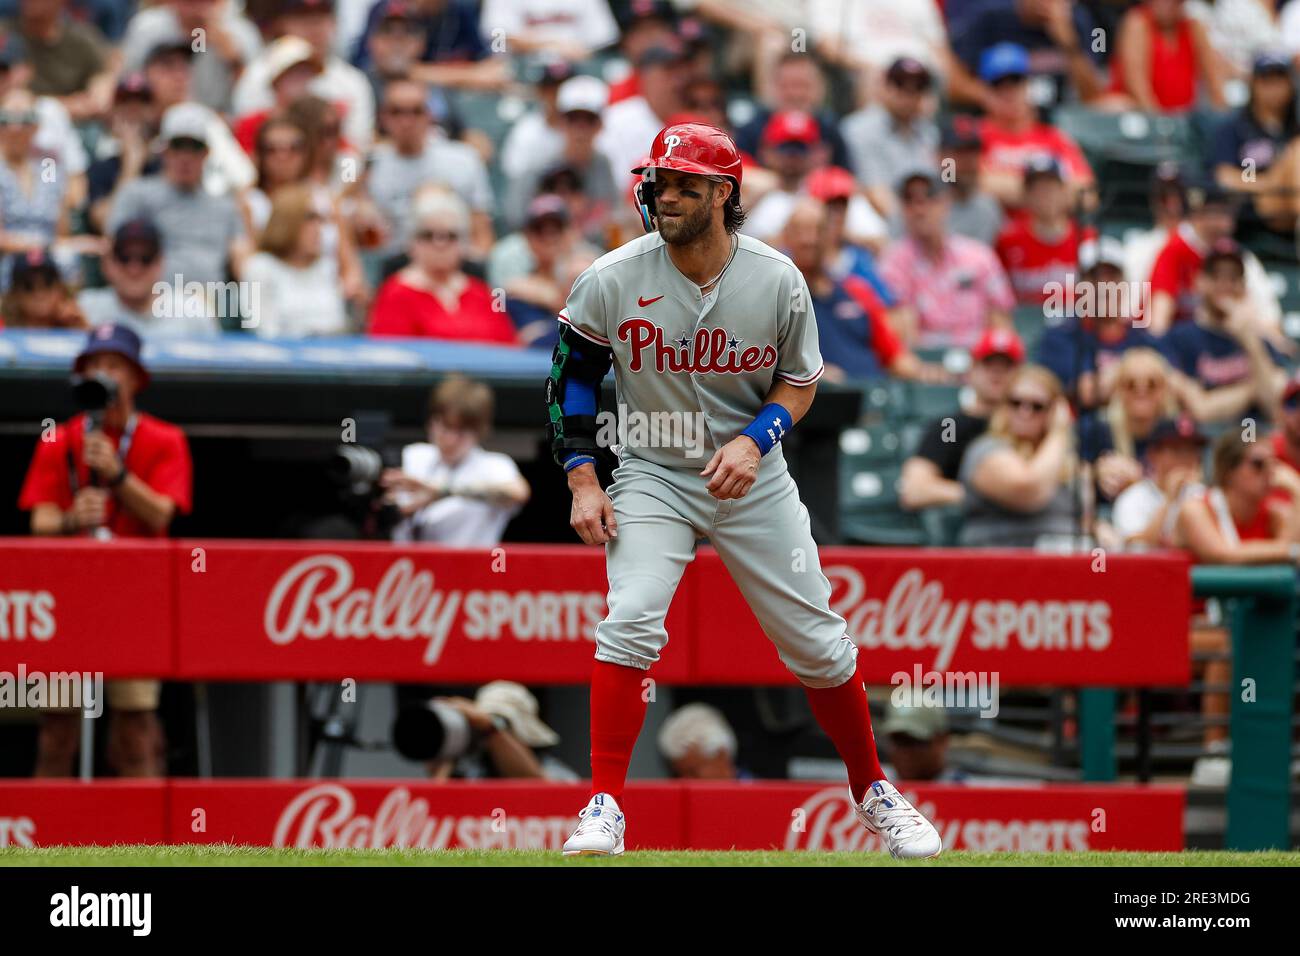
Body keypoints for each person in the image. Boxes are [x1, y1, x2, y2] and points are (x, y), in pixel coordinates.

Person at [550, 122, 942, 858]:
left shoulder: (776, 277)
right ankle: (604, 804)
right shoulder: (612, 276)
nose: (666, 196)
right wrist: (581, 478)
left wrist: (757, 439)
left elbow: (800, 382)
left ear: (721, 194)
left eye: (684, 185)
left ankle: (872, 790)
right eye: (659, 183)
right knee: (630, 620)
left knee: (818, 643)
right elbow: (572, 376)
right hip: (654, 470)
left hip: (751, 477)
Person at [17, 323, 193, 777]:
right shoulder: (58, 437)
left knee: (135, 732)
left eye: (113, 365)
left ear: (135, 377)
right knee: (56, 731)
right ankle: (47, 824)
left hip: (136, 598)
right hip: (66, 600)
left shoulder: (165, 438)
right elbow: (39, 523)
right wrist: (73, 518)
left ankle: (143, 825)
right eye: (93, 365)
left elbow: (161, 514)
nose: (102, 374)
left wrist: (117, 476)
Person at [1171, 429, 1300, 784]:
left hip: (1237, 629)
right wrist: (1288, 551)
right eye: (1257, 465)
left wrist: (1296, 489)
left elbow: (1292, 545)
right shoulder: (1197, 508)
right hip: (1180, 629)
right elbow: (1223, 555)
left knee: (1282, 641)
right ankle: (1214, 750)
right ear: (1229, 471)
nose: (1269, 475)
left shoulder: (1272, 514)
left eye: (1273, 466)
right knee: (1231, 643)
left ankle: (1282, 747)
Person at [781, 197, 940, 383]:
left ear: (830, 235)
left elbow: (894, 355)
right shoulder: (779, 298)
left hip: (873, 390)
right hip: (817, 394)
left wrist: (926, 373)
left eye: (818, 230)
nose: (810, 239)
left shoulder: (857, 291)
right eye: (800, 231)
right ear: (786, 237)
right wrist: (814, 373)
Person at [107, 103, 251, 289]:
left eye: (194, 147)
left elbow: (243, 261)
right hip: (153, 297)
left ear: (206, 153)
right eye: (178, 146)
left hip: (211, 300)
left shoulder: (225, 207)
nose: (185, 157)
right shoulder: (137, 194)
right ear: (164, 151)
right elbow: (114, 248)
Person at [380, 375, 530, 545]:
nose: (450, 439)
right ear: (431, 421)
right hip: (406, 559)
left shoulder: (494, 465)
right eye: (445, 426)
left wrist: (440, 492)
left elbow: (519, 493)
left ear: (480, 431)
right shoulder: (412, 455)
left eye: (462, 431)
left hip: (470, 560)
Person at [880, 170, 1015, 349]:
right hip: (924, 359)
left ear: (946, 203)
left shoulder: (978, 256)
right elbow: (901, 334)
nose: (919, 209)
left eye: (929, 199)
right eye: (909, 201)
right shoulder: (893, 262)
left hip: (979, 356)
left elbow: (1001, 321)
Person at [366, 76, 493, 260]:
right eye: (397, 112)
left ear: (430, 115)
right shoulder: (366, 164)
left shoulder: (464, 159)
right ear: (382, 117)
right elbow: (343, 205)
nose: (406, 121)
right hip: (393, 265)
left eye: (416, 111)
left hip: (455, 262)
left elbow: (482, 234)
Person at [367, 188, 518, 344]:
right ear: (412, 242)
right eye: (428, 235)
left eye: (451, 236)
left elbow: (508, 344)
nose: (440, 244)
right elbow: (389, 352)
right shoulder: (395, 293)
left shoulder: (483, 293)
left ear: (464, 243)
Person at [1162, 239, 1286, 426]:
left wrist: (1249, 340)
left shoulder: (1260, 340)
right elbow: (1202, 410)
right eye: (1216, 277)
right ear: (1200, 281)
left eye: (1233, 278)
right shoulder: (1178, 338)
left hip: (1253, 434)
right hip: (1203, 438)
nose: (1225, 285)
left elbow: (1274, 407)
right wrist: (1254, 389)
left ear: (1243, 286)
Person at [900, 328, 1025, 512]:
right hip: (967, 520)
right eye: (989, 363)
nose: (997, 373)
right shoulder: (951, 427)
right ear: (972, 370)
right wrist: (983, 494)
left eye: (1006, 366)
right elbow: (915, 489)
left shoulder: (1028, 422)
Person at [957, 363, 1080, 547]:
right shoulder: (985, 449)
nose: (1025, 412)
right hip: (1002, 558)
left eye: (1037, 406)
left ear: (1053, 411)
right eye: (1016, 403)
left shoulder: (1066, 460)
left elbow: (1081, 516)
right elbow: (1029, 490)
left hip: (1063, 556)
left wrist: (1099, 528)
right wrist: (1059, 432)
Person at [1034, 236, 1164, 408]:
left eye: (1112, 276)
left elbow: (1172, 381)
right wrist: (1134, 365)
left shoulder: (1142, 337)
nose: (1104, 286)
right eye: (1095, 277)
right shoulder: (1060, 337)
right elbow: (1087, 393)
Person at [1147, 183, 1282, 336]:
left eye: (1227, 213)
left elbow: (1268, 316)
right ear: (1196, 215)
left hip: (1219, 338)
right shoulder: (1174, 249)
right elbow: (1159, 320)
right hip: (1178, 338)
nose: (1223, 222)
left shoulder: (1237, 254)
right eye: (1215, 213)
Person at [976, 43, 1095, 208]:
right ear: (986, 92)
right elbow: (969, 183)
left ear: (1028, 86)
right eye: (999, 86)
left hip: (1047, 224)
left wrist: (1006, 188)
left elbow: (1088, 196)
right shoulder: (975, 136)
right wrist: (1050, 190)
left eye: (1016, 82)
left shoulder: (1054, 137)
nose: (1009, 93)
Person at [744, 110, 887, 247]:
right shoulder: (750, 188)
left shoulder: (835, 187)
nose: (793, 155)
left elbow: (880, 241)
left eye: (801, 147)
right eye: (785, 147)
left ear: (818, 152)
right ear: (766, 150)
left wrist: (833, 234)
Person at [949, 0, 1104, 109]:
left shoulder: (1077, 19)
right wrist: (994, 100)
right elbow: (955, 86)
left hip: (1063, 121)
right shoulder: (991, 17)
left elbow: (1093, 95)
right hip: (1001, 123)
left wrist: (1068, 43)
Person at [77, 219, 218, 337]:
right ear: (108, 263)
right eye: (124, 258)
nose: (134, 269)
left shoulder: (192, 312)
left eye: (146, 258)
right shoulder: (84, 310)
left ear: (160, 263)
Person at [840, 56, 939, 222]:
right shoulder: (859, 129)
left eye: (918, 87)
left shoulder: (929, 133)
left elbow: (938, 188)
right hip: (876, 220)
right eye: (900, 85)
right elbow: (876, 194)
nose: (909, 94)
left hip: (921, 219)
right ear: (884, 87)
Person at [120, 0, 262, 114]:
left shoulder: (241, 33)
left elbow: (255, 98)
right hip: (158, 116)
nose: (199, 7)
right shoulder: (148, 27)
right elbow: (130, 81)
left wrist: (235, 62)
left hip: (221, 119)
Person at [243, 183, 348, 337]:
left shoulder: (326, 268)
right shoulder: (260, 267)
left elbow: (337, 323)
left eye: (321, 221)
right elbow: (263, 330)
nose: (318, 229)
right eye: (309, 219)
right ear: (286, 222)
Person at [1077, 347, 1179, 504]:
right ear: (1118, 389)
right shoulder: (1098, 430)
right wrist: (1095, 473)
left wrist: (1139, 481)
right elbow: (1072, 475)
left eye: (1151, 384)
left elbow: (1187, 488)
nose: (1141, 391)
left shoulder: (1177, 433)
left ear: (1164, 389)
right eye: (1131, 384)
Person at [1212, 52, 1300, 232]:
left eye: (1280, 81)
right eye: (1267, 82)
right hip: (1253, 208)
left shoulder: (1295, 125)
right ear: (1253, 84)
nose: (1274, 89)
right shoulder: (1235, 126)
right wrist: (1268, 183)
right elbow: (1224, 177)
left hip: (1290, 206)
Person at [995, 156, 1093, 306]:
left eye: (1051, 188)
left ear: (1064, 191)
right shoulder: (1007, 241)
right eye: (1037, 189)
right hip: (1024, 318)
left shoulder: (1086, 238)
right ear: (1026, 195)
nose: (1045, 195)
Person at [1106, 414, 1208, 549]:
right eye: (1177, 450)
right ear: (1153, 455)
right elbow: (1136, 546)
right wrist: (1169, 500)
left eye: (1191, 451)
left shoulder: (1204, 496)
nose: (1185, 459)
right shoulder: (1133, 498)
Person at [1106, 0, 1226, 112]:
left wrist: (1224, 116)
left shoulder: (1194, 28)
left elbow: (1215, 81)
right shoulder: (1138, 23)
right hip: (1143, 114)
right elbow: (1136, 85)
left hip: (1179, 115)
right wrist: (1159, 121)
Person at [2, 0, 113, 120]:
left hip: (70, 127)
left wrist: (36, 103)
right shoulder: (4, 34)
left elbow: (98, 102)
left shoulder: (84, 40)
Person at [657, 703, 744, 780]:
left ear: (721, 757)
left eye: (693, 773)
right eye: (677, 775)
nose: (684, 783)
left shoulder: (751, 789)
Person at [0, 247, 83, 327]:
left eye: (48, 282)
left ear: (60, 287)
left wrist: (78, 325)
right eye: (28, 286)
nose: (40, 294)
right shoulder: (3, 328)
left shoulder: (74, 324)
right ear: (15, 293)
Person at [880, 705, 966, 783]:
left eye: (914, 741)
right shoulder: (876, 784)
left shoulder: (966, 789)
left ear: (941, 741)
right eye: (897, 741)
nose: (904, 752)